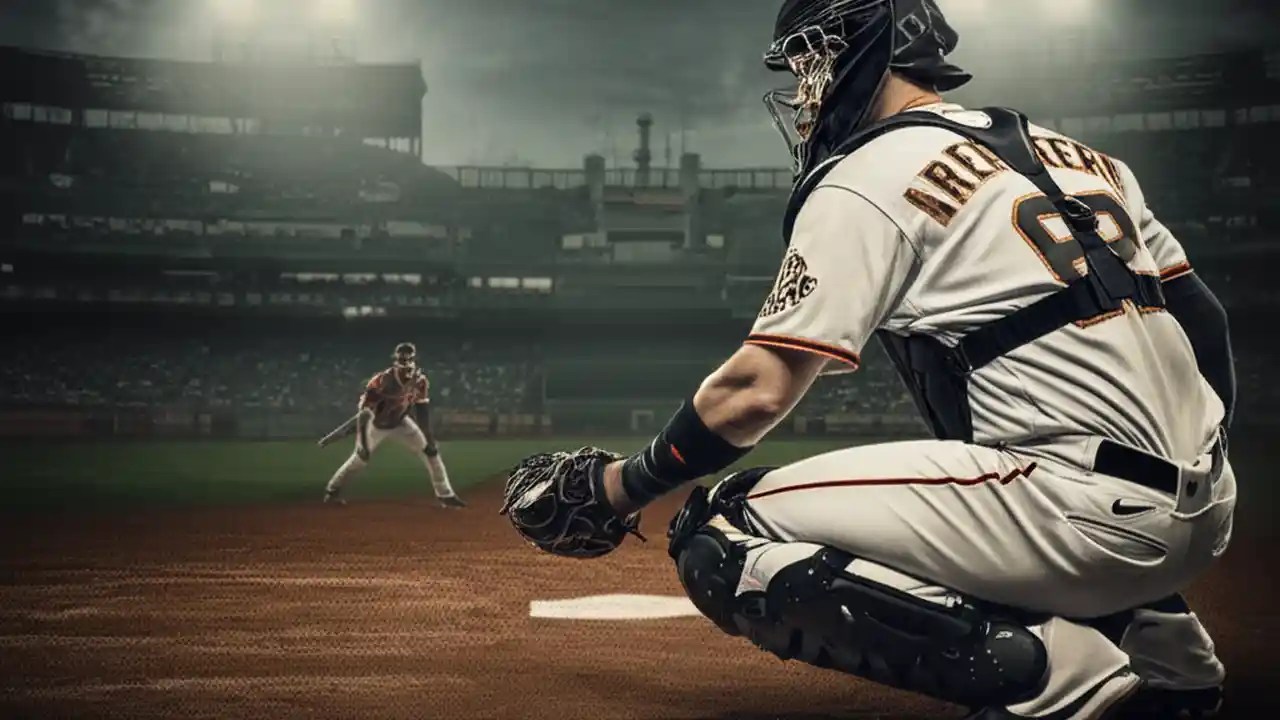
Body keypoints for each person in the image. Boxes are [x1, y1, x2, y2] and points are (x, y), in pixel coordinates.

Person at [502, 1, 1236, 718]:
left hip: (1075, 515)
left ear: (862, 47)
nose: (800, 91)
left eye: (808, 59)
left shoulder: (868, 173)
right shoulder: (1082, 157)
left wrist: (618, 487)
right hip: (1204, 508)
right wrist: (1197, 464)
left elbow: (755, 392)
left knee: (724, 527)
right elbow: (1204, 319)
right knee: (994, 444)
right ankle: (1163, 648)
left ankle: (1058, 679)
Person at [325, 342, 466, 508]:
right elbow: (363, 415)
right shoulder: (381, 382)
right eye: (402, 360)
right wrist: (362, 444)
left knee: (431, 453)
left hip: (401, 422)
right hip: (376, 424)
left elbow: (422, 413)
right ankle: (333, 490)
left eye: (409, 360)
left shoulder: (420, 381)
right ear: (396, 361)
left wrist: (429, 439)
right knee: (360, 459)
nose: (406, 365)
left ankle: (445, 495)